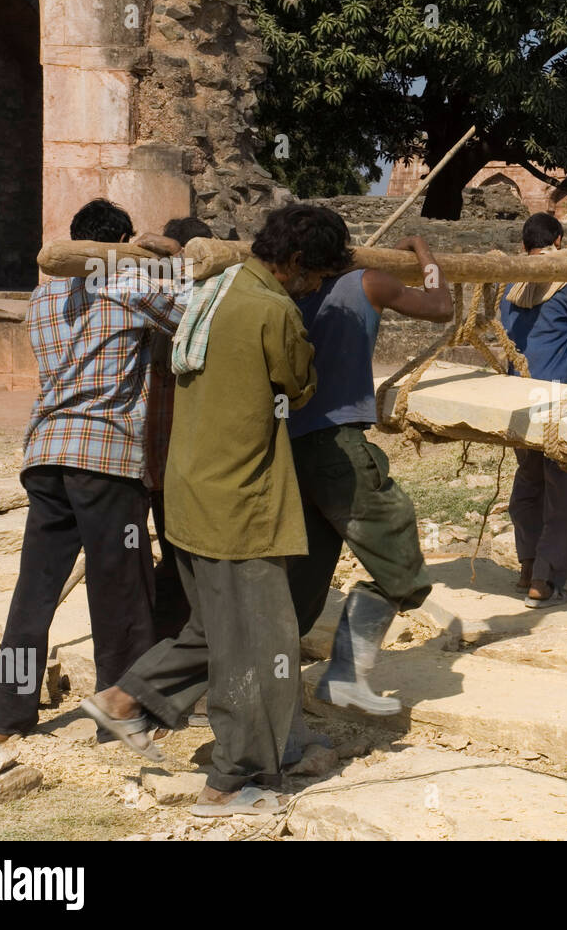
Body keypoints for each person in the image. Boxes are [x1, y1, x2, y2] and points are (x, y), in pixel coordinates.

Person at [83, 204, 352, 817]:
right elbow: (297, 383)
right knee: (261, 641)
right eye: (314, 277)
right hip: (240, 500)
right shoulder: (271, 309)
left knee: (211, 629)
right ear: (295, 263)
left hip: (189, 490)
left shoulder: (211, 290)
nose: (314, 288)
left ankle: (127, 700)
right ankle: (233, 780)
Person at [0, 199, 183, 745]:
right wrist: (164, 257)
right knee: (120, 589)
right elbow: (195, 318)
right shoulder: (130, 285)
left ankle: (8, 718)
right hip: (105, 458)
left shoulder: (43, 295)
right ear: (119, 244)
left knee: (34, 591)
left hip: (46, 454)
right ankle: (121, 716)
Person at [286, 235, 452, 717]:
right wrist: (423, 252)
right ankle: (344, 675)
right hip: (339, 447)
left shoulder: (289, 291)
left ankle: (251, 687)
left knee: (304, 585)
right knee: (400, 567)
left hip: (292, 448)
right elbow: (441, 306)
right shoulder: (369, 281)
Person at [500, 213, 567, 608]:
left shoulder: (512, 281)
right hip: (558, 398)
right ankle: (545, 579)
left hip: (520, 397)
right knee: (558, 489)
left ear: (525, 246)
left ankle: (527, 566)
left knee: (528, 482)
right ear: (558, 240)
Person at [144, 216, 215, 644]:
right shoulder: (186, 304)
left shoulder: (161, 298)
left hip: (166, 460)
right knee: (186, 559)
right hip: (178, 460)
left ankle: (171, 641)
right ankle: (184, 645)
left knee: (178, 557)